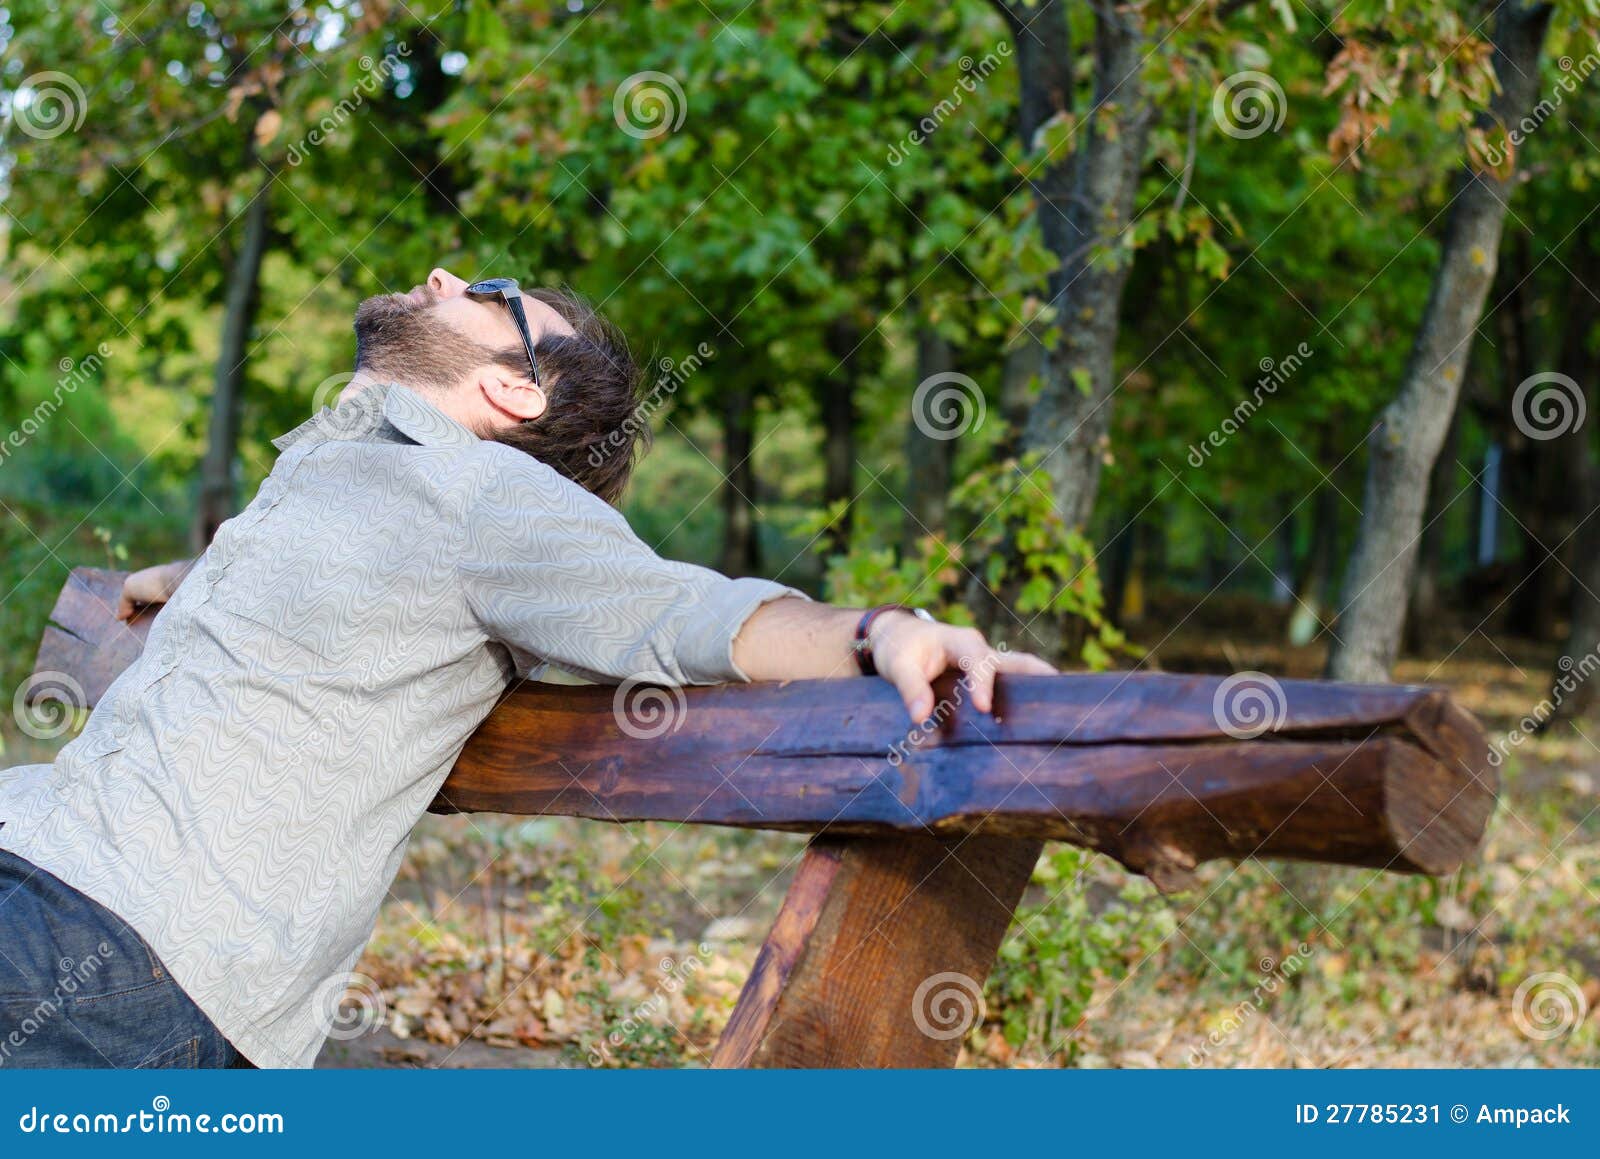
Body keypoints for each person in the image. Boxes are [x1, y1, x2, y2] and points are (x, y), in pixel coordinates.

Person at [0, 268, 1052, 1068]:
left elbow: (680, 608)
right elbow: (345, 564)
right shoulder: (355, 464)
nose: (446, 276)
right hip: (49, 865)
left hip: (120, 942)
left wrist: (882, 631)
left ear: (513, 389)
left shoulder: (490, 497)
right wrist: (198, 572)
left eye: (490, 293)